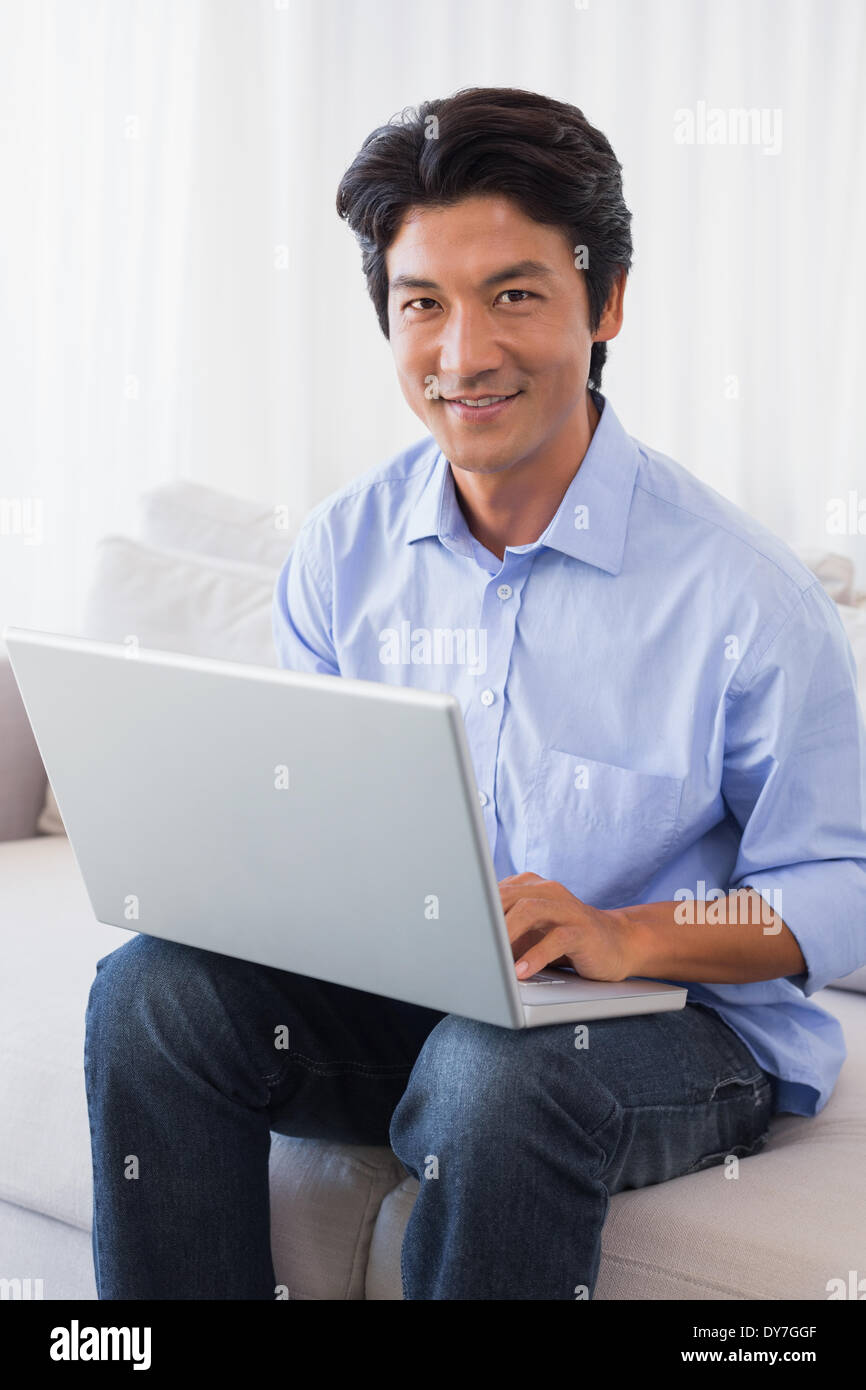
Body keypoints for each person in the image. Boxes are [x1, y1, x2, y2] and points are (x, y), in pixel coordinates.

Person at [85, 87, 866, 1300]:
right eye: (422, 305)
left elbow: (838, 888)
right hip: (423, 1003)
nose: (463, 354)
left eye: (512, 294)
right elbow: (310, 817)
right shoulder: (341, 553)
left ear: (602, 302)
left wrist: (623, 935)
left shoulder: (744, 595)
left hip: (683, 1031)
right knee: (151, 991)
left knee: (492, 1068)